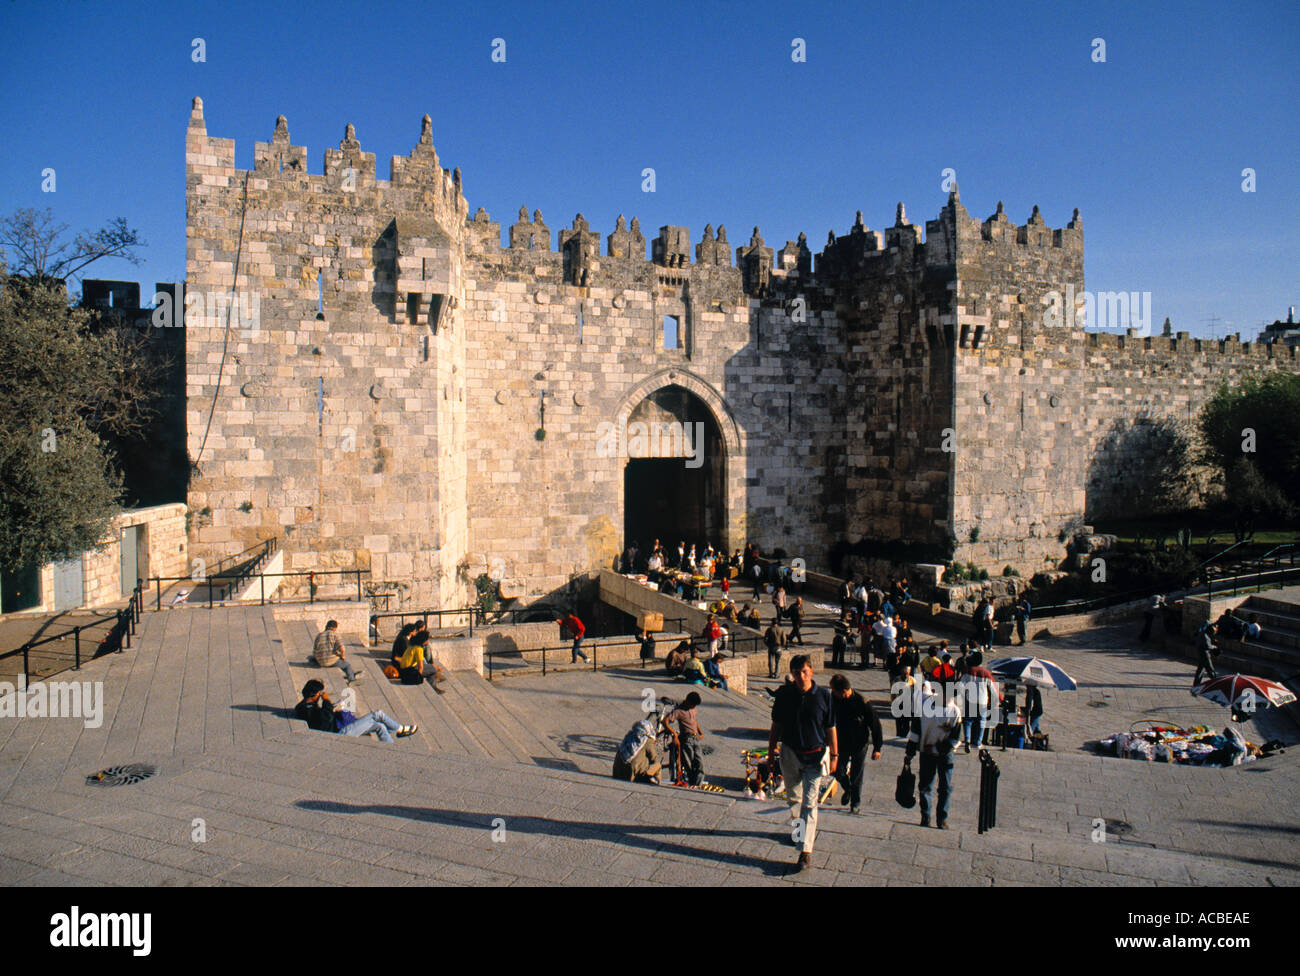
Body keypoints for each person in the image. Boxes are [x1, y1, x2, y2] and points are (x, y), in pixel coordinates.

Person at [768, 655, 838, 872]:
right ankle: (800, 833)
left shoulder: (824, 696)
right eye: (796, 672)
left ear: (812, 672)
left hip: (815, 757)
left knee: (810, 802)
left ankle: (805, 851)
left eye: (804, 672)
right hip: (790, 753)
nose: (800, 676)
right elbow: (776, 725)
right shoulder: (785, 695)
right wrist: (771, 753)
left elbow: (831, 728)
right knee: (794, 799)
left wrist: (835, 755)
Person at [904, 680, 962, 828]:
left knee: (945, 787)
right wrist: (910, 753)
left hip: (944, 754)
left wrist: (937, 749)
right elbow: (915, 731)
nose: (948, 699)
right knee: (925, 786)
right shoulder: (924, 707)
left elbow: (955, 739)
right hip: (926, 752)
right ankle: (926, 815)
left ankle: (942, 818)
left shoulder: (955, 711)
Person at [295, 679, 415, 742]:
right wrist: (326, 701)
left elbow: (323, 716)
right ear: (315, 694)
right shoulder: (310, 709)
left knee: (379, 726)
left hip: (338, 727)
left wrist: (333, 709)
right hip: (340, 732)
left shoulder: (303, 706)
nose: (321, 695)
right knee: (378, 714)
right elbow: (326, 718)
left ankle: (390, 749)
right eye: (319, 693)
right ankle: (399, 729)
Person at [829, 674, 882, 814]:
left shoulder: (861, 702)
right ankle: (849, 789)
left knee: (856, 774)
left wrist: (877, 748)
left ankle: (855, 803)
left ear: (844, 692)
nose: (832, 693)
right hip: (842, 742)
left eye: (834, 690)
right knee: (837, 770)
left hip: (860, 742)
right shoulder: (833, 699)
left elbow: (875, 724)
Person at [959, 652, 1002, 752]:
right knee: (981, 721)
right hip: (982, 701)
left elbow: (960, 685)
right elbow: (994, 688)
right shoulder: (986, 673)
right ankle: (978, 742)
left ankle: (967, 740)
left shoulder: (968, 671)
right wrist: (999, 699)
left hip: (970, 700)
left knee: (968, 721)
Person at [613, 712, 666, 783]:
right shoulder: (647, 740)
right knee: (657, 765)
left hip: (619, 772)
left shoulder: (629, 736)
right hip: (632, 773)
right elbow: (654, 758)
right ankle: (655, 781)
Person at [667, 692, 706, 786]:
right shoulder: (678, 711)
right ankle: (692, 782)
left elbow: (694, 721)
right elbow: (665, 721)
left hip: (695, 737)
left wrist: (700, 732)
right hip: (686, 738)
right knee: (689, 762)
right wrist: (674, 735)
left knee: (699, 761)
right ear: (688, 701)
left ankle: (698, 782)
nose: (693, 707)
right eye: (692, 704)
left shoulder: (693, 709)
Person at [313, 619, 361, 684]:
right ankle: (351, 679)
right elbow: (342, 648)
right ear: (335, 628)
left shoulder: (319, 635)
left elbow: (315, 651)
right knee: (347, 665)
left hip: (320, 661)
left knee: (310, 657)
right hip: (331, 661)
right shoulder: (335, 635)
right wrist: (342, 656)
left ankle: (351, 673)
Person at [1192, 622, 1218, 689]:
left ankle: (1196, 684)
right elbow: (1207, 646)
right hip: (1205, 655)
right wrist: (1213, 647)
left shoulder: (1202, 634)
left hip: (1201, 654)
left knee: (1201, 670)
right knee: (1210, 669)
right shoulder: (1205, 636)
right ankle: (1216, 683)